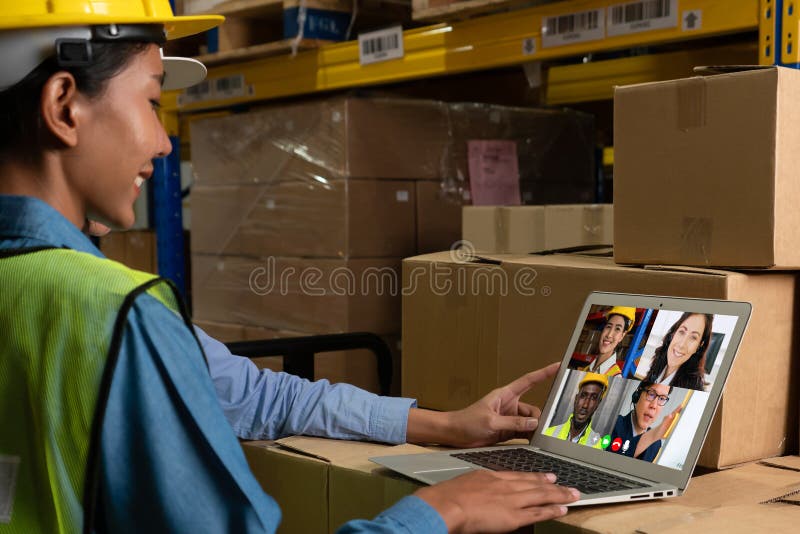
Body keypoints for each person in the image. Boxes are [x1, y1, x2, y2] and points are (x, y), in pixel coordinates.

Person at [0, 2, 579, 532]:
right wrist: (439, 512)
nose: (164, 143)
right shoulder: (119, 313)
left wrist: (447, 426)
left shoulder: (60, 296)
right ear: (63, 106)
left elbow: (254, 396)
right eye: (152, 103)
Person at [608, 382, 681, 462]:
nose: (654, 406)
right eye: (651, 394)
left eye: (661, 399)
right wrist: (653, 435)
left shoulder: (656, 444)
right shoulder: (612, 423)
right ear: (637, 395)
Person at [644, 312, 713, 391]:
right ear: (673, 333)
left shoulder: (694, 389)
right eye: (682, 332)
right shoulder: (658, 363)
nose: (682, 344)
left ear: (699, 346)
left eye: (693, 337)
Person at [543, 373, 608, 448]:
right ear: (576, 398)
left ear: (598, 404)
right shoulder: (548, 433)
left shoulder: (598, 446)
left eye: (593, 398)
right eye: (583, 396)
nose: (585, 405)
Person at [580, 306, 636, 376]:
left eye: (617, 329)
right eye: (608, 326)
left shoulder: (615, 376)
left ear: (622, 336)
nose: (609, 335)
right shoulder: (586, 369)